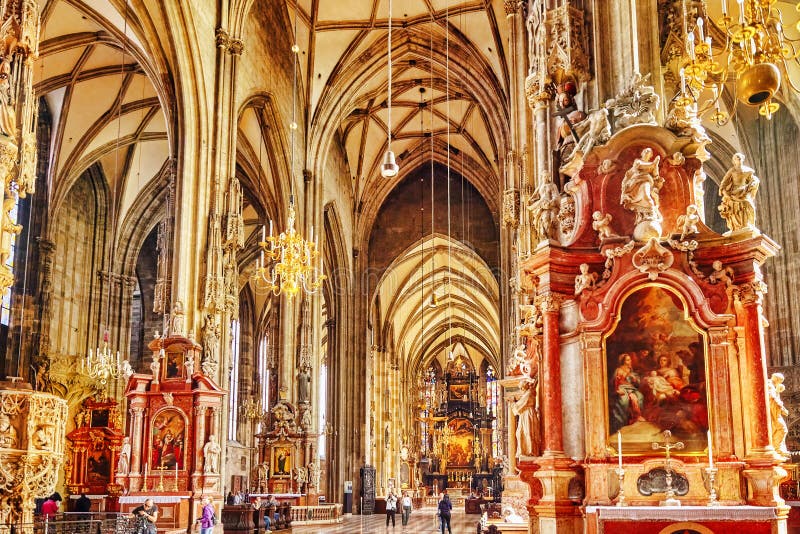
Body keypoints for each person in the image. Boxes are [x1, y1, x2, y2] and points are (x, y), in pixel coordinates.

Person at [718, 152, 759, 232]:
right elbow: (724, 183)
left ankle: (749, 224)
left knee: (750, 206)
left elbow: (753, 180)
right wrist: (725, 193)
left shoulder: (749, 171)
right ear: (734, 161)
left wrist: (753, 183)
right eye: (736, 158)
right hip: (734, 192)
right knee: (736, 209)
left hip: (744, 191)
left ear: (743, 159)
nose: (738, 159)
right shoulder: (732, 170)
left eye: (740, 157)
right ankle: (738, 226)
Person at [611, 353, 646, 434]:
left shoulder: (630, 369)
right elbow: (615, 382)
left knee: (640, 396)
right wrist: (617, 390)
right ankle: (628, 419)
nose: (630, 361)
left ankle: (637, 416)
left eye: (630, 359)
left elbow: (635, 382)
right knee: (627, 399)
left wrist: (635, 379)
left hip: (630, 388)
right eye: (627, 360)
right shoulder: (619, 370)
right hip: (621, 387)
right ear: (623, 361)